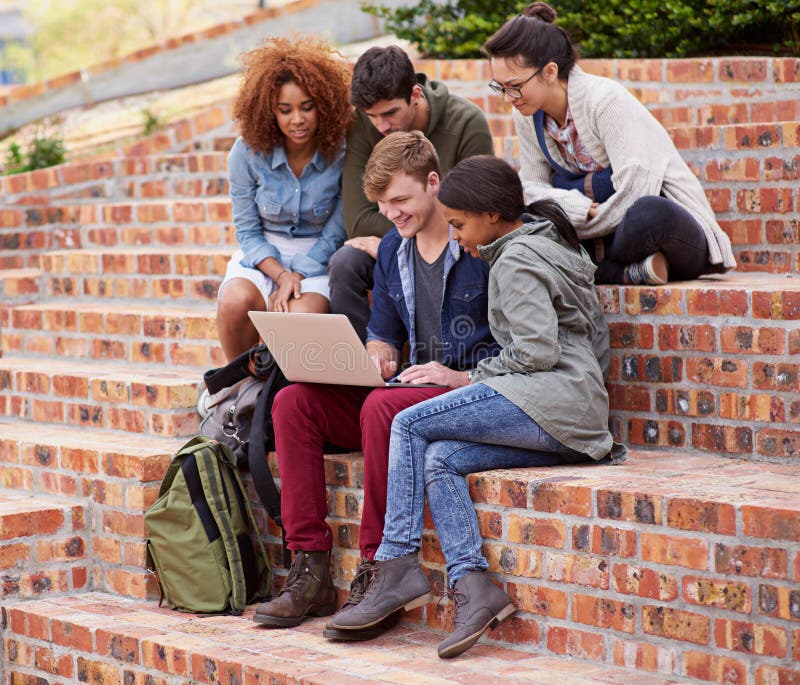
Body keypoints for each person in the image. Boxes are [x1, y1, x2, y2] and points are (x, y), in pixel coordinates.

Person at [326, 155, 626, 658]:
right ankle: (474, 583)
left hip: (551, 402)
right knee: (439, 457)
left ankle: (396, 561)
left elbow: (535, 351)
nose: (457, 236)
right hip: (571, 418)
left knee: (406, 421)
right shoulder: (541, 245)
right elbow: (587, 344)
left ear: (489, 216)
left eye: (460, 224)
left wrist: (466, 376)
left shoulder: (514, 259)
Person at [252, 132, 499, 633]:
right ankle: (310, 570)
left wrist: (456, 375)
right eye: (383, 204)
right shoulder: (392, 249)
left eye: (401, 200)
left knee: (381, 410)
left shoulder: (475, 243)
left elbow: (508, 347)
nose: (392, 213)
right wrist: (372, 356)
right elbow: (384, 334)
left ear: (434, 183)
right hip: (407, 387)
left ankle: (377, 569)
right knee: (293, 402)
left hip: (463, 392)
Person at [481, 2, 736, 286]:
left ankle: (587, 265)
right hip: (601, 231)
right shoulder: (527, 115)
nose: (508, 98)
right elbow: (531, 187)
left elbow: (637, 190)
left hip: (667, 231)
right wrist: (575, 207)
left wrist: (577, 221)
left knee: (645, 213)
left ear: (550, 72)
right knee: (526, 218)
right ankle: (624, 270)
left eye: (514, 86)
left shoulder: (604, 101)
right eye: (500, 87)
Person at [329, 45, 494, 341]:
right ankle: (358, 374)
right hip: (400, 239)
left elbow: (477, 217)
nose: (381, 126)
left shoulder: (467, 123)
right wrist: (404, 243)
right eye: (372, 116)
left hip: (460, 249)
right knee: (345, 263)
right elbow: (359, 219)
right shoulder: (364, 127)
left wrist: (399, 248)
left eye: (390, 113)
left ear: (415, 95)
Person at [215, 37, 351, 362]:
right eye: (284, 110)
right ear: (269, 110)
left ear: (324, 104)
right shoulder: (246, 152)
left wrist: (298, 275)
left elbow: (337, 231)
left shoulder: (343, 152)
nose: (297, 120)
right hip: (263, 255)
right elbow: (246, 231)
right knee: (233, 301)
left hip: (319, 256)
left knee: (298, 321)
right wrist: (279, 274)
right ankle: (240, 390)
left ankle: (277, 399)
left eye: (307, 107)